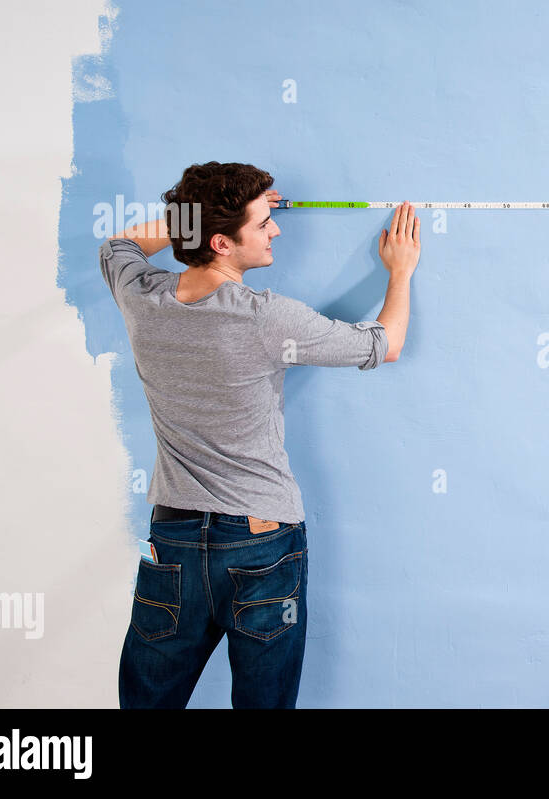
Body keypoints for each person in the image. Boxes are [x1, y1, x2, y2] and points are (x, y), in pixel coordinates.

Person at [105, 161, 421, 708]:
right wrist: (400, 272)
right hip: (262, 541)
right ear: (223, 243)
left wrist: (205, 212)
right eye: (261, 224)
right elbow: (385, 344)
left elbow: (121, 243)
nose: (275, 228)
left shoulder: (140, 297)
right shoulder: (267, 318)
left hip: (172, 540)